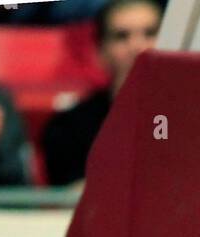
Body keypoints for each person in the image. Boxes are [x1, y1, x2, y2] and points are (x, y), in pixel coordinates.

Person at [41, 0, 162, 187]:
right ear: (100, 51)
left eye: (150, 33)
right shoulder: (68, 128)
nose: (138, 46)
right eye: (121, 37)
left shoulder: (195, 119)